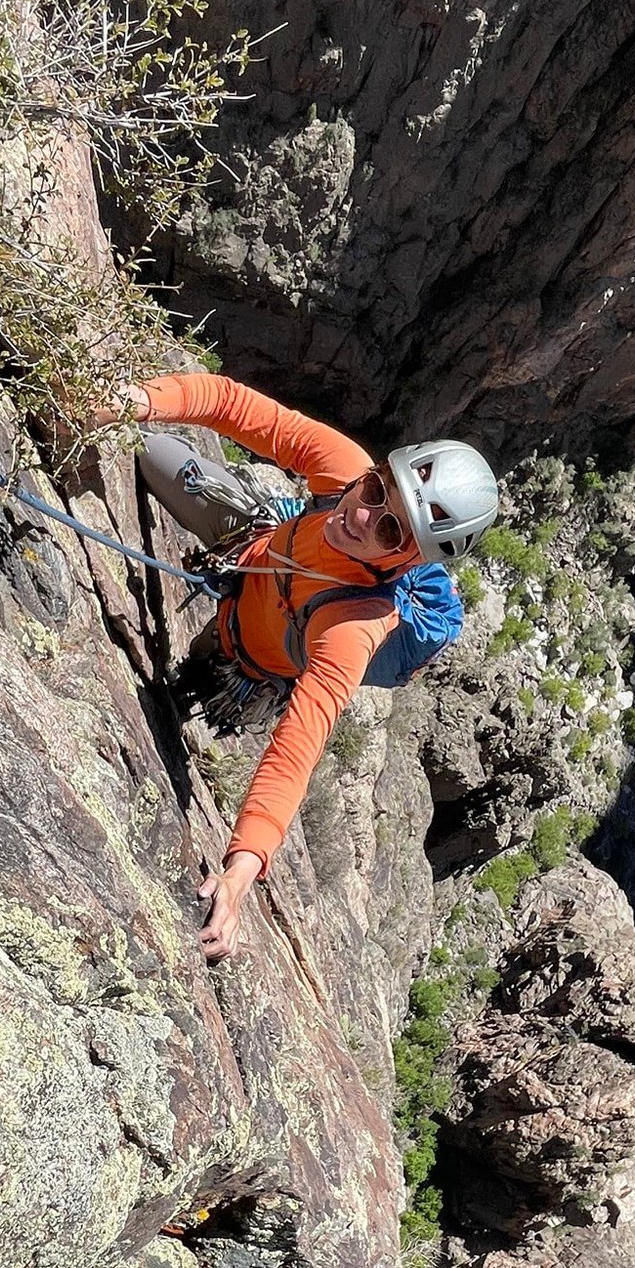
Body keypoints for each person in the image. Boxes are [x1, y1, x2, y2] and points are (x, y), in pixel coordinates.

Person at [116, 371, 498, 960]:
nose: (363, 516)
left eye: (392, 527)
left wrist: (241, 873)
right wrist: (137, 400)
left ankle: (189, 681)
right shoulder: (343, 467)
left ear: (410, 559)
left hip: (245, 664)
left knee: (177, 689)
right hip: (251, 550)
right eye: (376, 490)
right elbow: (233, 405)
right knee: (141, 443)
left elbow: (299, 746)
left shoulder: (352, 627)